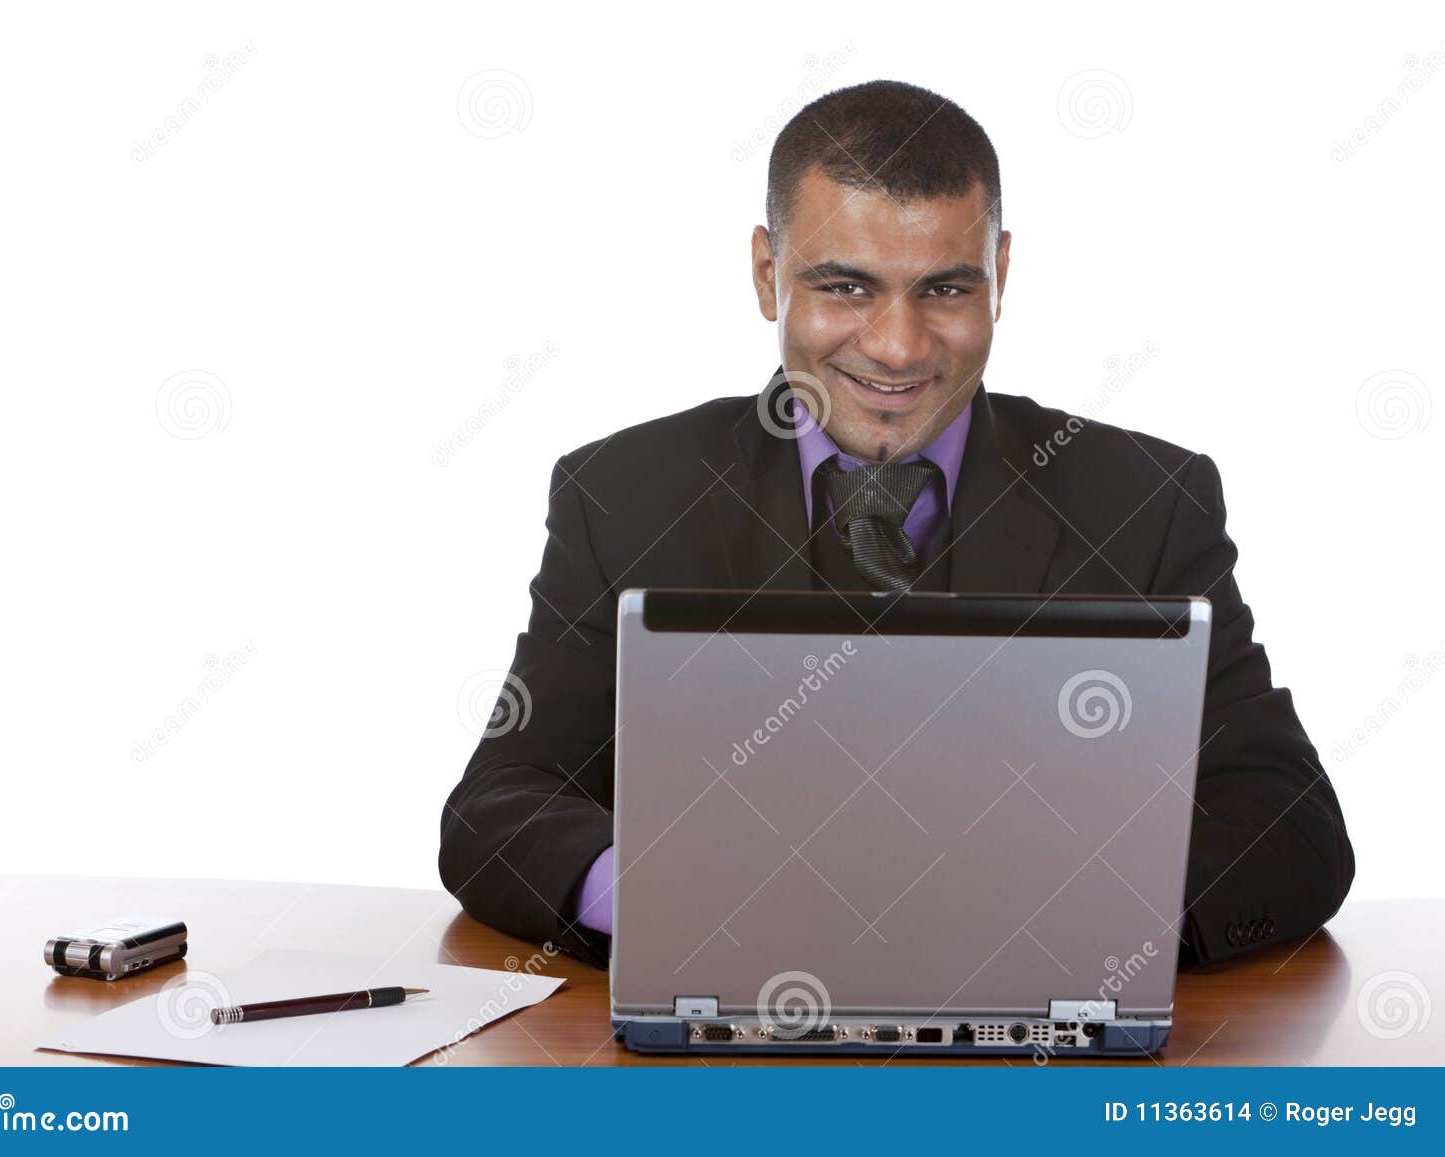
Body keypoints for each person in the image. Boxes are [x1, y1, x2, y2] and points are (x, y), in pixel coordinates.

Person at [439, 80, 1354, 971]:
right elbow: (499, 804)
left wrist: (1073, 902)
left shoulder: (1149, 502)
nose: (897, 346)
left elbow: (1291, 823)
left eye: (947, 291)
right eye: (845, 286)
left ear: (1001, 276)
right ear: (768, 274)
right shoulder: (626, 493)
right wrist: (667, 893)